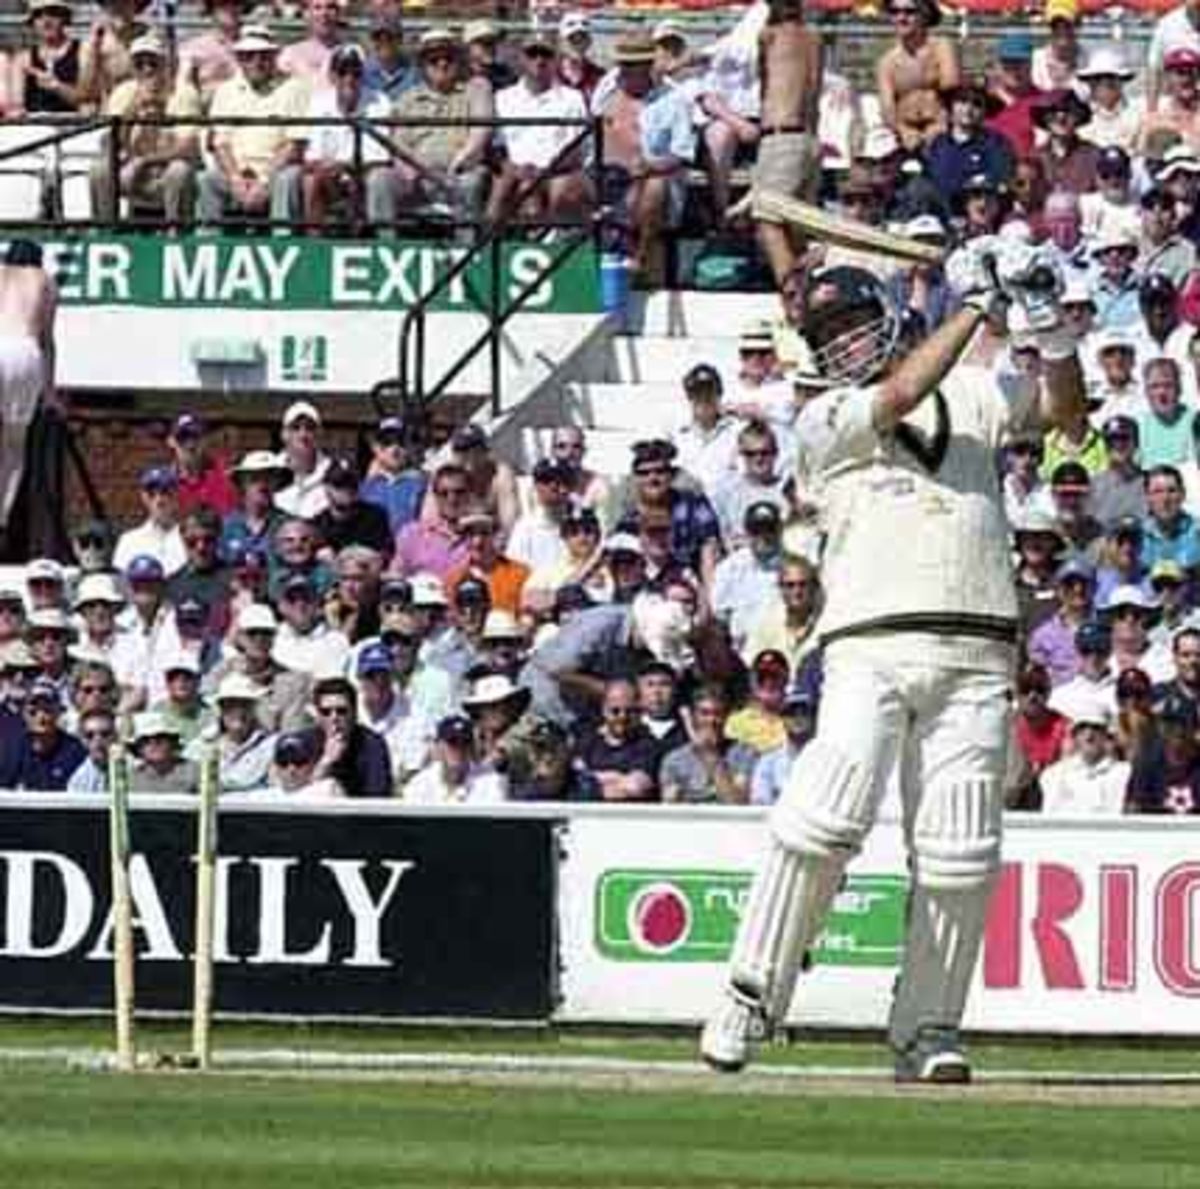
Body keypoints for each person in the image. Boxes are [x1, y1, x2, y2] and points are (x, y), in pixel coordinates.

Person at [701, 248, 1087, 1082]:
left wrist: (1050, 325)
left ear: (890, 315)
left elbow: (1067, 416)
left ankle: (929, 1027)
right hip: (870, 641)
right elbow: (902, 395)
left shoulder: (980, 392)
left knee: (959, 850)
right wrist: (979, 305)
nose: (840, 344)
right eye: (825, 333)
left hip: (979, 646)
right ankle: (747, 997)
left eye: (851, 324)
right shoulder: (823, 419)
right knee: (822, 820)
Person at [597, 36, 696, 286]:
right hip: (606, 176)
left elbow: (682, 154)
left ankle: (639, 257)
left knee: (655, 187)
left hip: (653, 177)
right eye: (625, 65)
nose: (628, 71)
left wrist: (649, 166)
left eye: (635, 65)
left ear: (648, 66)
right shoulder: (606, 97)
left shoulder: (674, 100)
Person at [89, 32, 200, 227]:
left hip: (165, 168)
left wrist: (145, 161)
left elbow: (188, 146)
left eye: (153, 63)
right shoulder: (124, 91)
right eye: (140, 64)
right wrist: (132, 110)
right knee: (100, 169)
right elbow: (110, 142)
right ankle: (105, 231)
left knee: (180, 171)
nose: (147, 69)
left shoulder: (184, 93)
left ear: (166, 64)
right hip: (131, 168)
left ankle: (176, 235)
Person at [200, 25, 307, 228]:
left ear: (274, 56)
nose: (256, 62)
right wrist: (235, 179)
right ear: (239, 58)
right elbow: (220, 144)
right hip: (237, 172)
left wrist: (265, 179)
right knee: (206, 179)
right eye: (248, 56)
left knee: (288, 178)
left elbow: (294, 145)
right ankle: (208, 243)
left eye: (264, 56)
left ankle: (282, 241)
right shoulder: (225, 90)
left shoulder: (295, 88)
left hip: (275, 171)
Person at [486, 30, 591, 227]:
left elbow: (579, 150)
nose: (539, 60)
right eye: (532, 54)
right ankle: (486, 245)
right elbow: (496, 147)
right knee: (503, 185)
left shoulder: (573, 98)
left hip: (557, 171)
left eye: (546, 55)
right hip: (513, 171)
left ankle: (550, 245)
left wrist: (546, 170)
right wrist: (514, 168)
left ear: (556, 59)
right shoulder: (502, 98)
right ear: (521, 59)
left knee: (560, 188)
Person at [390, 29, 492, 222]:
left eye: (448, 58)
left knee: (472, 182)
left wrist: (458, 164)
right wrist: (414, 171)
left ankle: (466, 247)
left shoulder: (475, 92)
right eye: (434, 60)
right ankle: (385, 243)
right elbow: (398, 144)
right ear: (423, 65)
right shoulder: (407, 100)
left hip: (459, 172)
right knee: (381, 180)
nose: (442, 64)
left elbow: (480, 134)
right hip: (418, 175)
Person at [298, 43, 397, 231]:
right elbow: (313, 154)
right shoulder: (319, 102)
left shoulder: (380, 102)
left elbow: (379, 156)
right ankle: (312, 244)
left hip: (364, 172)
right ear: (332, 76)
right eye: (342, 72)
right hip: (328, 174)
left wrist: (345, 165)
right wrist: (327, 168)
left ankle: (383, 240)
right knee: (311, 179)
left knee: (379, 178)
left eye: (355, 73)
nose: (349, 79)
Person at [0, 240, 56, 534]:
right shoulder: (43, 280)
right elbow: (47, 342)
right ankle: (3, 515)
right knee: (14, 443)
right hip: (25, 350)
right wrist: (49, 393)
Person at [876, 0, 958, 151]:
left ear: (925, 14)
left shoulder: (941, 46)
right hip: (905, 130)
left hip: (940, 126)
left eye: (909, 11)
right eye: (895, 11)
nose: (901, 17)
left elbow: (951, 84)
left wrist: (939, 123)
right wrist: (902, 130)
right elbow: (887, 107)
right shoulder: (887, 61)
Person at [660, 684, 757, 803]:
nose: (711, 720)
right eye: (704, 713)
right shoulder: (674, 760)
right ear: (694, 716)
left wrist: (710, 756)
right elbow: (670, 806)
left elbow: (737, 803)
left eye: (718, 714)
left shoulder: (744, 753)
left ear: (726, 716)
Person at [577, 676, 661, 802]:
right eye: (615, 711)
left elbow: (635, 788)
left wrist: (592, 780)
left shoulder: (649, 745)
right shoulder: (587, 742)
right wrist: (617, 777)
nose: (623, 717)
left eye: (630, 711)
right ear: (604, 710)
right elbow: (575, 784)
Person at [1038, 696, 1128, 814]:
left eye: (1096, 728)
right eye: (1083, 728)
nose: (1089, 735)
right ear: (1074, 736)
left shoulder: (1125, 773)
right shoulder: (1054, 775)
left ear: (1106, 734)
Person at [403, 713, 505, 804]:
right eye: (452, 742)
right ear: (439, 746)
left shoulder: (490, 783)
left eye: (465, 742)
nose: (459, 749)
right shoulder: (419, 785)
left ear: (471, 747)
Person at [10, 678, 85, 790]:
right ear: (23, 713)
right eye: (33, 712)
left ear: (59, 712)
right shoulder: (11, 750)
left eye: (47, 710)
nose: (41, 718)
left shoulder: (75, 751)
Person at [112, 465, 186, 575]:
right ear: (144, 497)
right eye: (151, 494)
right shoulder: (129, 541)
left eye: (165, 492)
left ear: (176, 494)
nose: (159, 500)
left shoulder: (189, 539)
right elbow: (121, 583)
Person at [359, 416, 426, 537]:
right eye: (387, 442)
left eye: (401, 441)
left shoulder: (422, 485)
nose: (395, 448)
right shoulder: (362, 488)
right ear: (375, 447)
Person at [13, 0, 82, 116]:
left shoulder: (83, 52)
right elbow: (17, 105)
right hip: (35, 125)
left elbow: (88, 103)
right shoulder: (24, 57)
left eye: (53, 13)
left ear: (65, 18)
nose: (46, 21)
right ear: (33, 23)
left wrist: (57, 86)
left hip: (77, 124)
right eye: (38, 15)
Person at [750, 687, 817, 806]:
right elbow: (760, 802)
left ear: (813, 718)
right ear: (782, 719)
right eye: (791, 713)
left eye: (804, 713)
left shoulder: (824, 759)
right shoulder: (768, 761)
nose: (798, 718)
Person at [275, 400, 331, 519]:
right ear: (284, 434)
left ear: (320, 433)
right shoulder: (271, 471)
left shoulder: (332, 472)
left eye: (310, 428)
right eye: (295, 428)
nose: (303, 435)